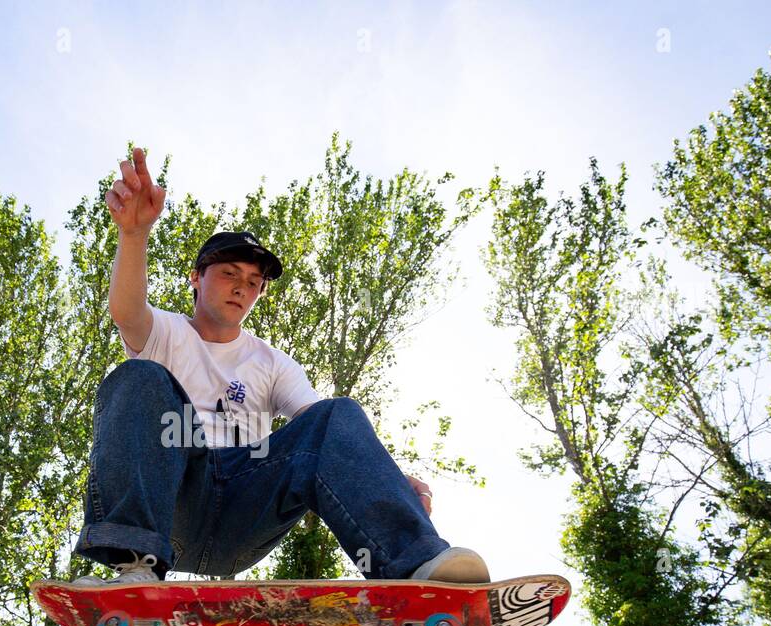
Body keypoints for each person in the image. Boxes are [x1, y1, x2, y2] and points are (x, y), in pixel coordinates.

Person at [73, 145, 489, 586]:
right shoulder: (164, 332)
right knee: (138, 377)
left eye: (253, 283)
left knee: (337, 413)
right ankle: (136, 568)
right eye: (230, 274)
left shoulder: (272, 363)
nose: (241, 289)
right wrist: (134, 235)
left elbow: (326, 435)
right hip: (173, 500)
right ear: (196, 277)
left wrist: (389, 479)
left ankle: (415, 565)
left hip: (244, 511)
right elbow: (126, 310)